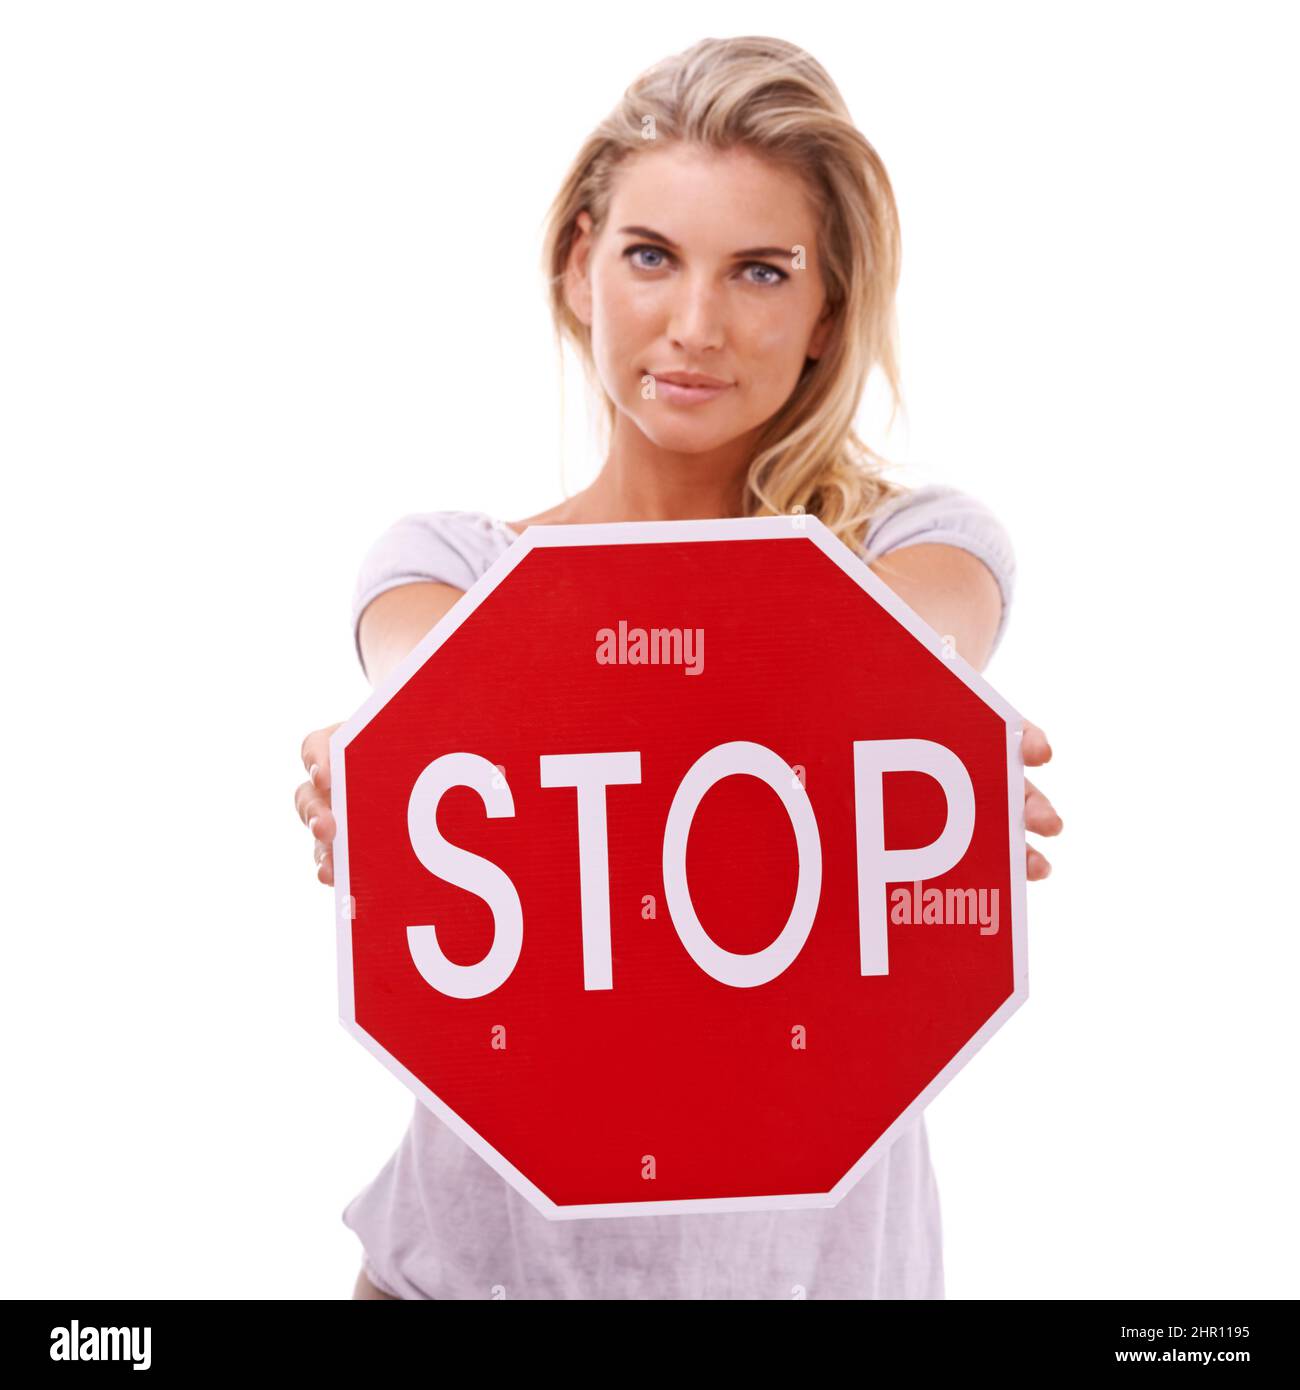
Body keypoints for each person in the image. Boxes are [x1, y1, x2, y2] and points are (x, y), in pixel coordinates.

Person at [295, 35, 1063, 1300]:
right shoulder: (439, 566)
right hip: (468, 1276)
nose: (695, 326)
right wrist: (388, 758)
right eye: (650, 256)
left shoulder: (922, 549)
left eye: (760, 271)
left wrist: (921, 742)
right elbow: (435, 682)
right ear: (576, 267)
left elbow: (891, 652)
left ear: (826, 312)